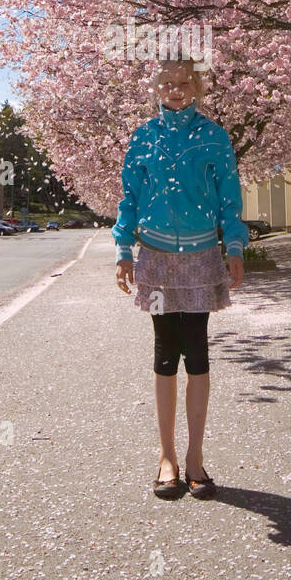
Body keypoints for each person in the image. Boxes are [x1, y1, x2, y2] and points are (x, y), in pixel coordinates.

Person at [113, 58, 248, 499]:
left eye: (184, 83)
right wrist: (122, 250)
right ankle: (166, 456)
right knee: (164, 353)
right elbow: (129, 198)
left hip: (201, 259)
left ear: (197, 87)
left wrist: (235, 247)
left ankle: (195, 458)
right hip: (155, 260)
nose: (176, 90)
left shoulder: (213, 136)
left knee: (198, 354)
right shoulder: (143, 137)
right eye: (167, 83)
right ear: (155, 88)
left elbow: (230, 197)